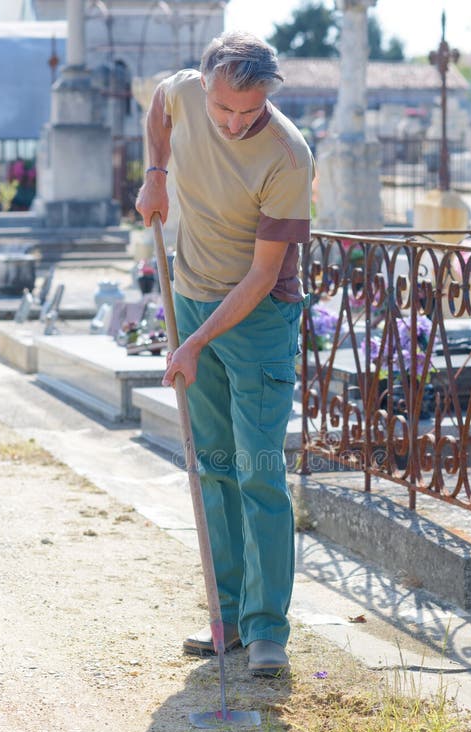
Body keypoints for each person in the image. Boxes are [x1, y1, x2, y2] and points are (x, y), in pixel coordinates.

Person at [136, 31, 314, 677]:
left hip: (255, 318)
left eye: (251, 111)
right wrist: (155, 174)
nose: (238, 123)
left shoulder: (287, 157)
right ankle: (228, 616)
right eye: (224, 111)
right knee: (212, 464)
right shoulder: (184, 90)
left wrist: (192, 340)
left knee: (259, 470)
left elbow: (262, 277)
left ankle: (268, 630)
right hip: (191, 298)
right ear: (205, 88)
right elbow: (158, 107)